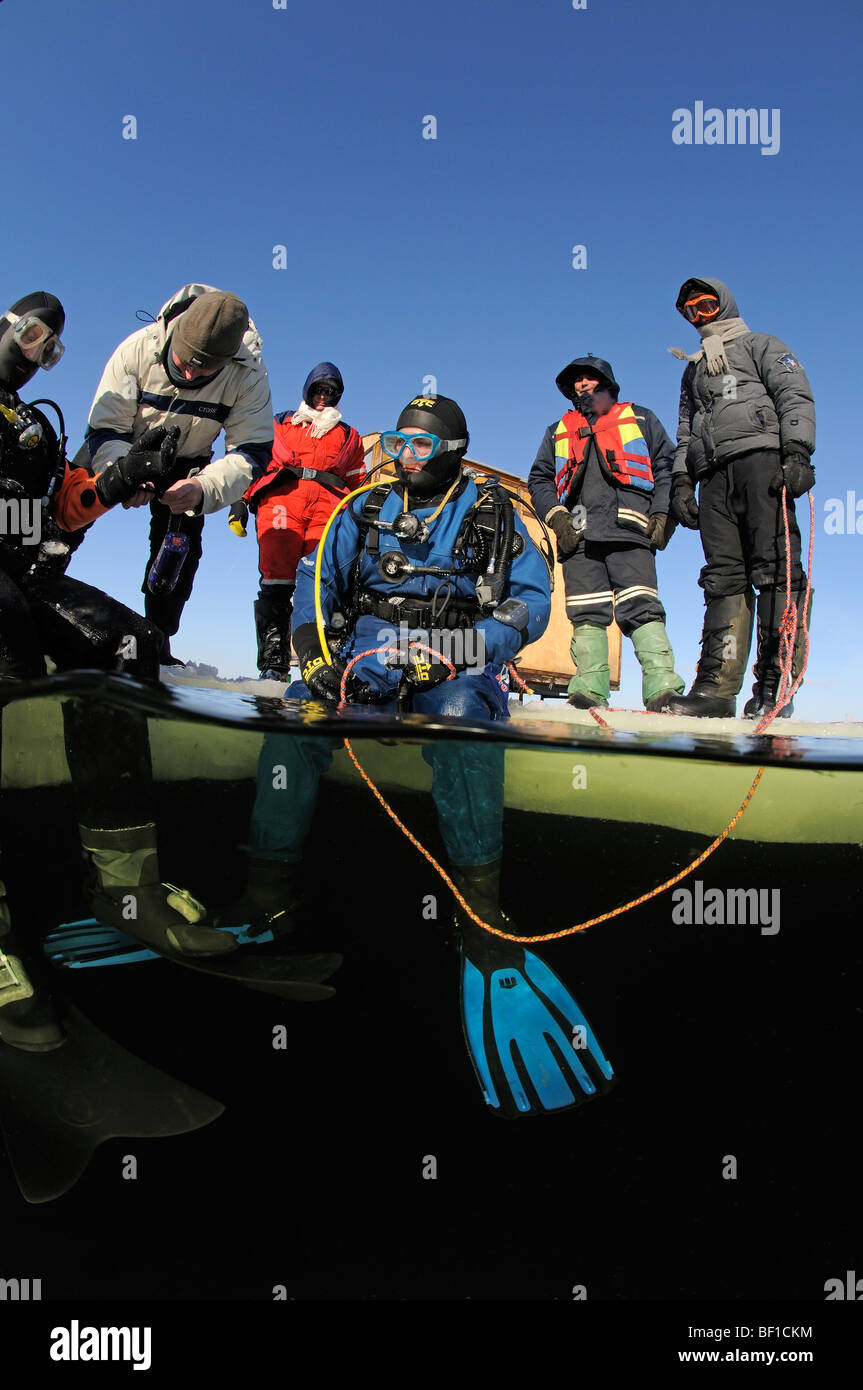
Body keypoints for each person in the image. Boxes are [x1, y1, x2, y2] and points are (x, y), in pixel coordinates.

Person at [220, 392, 551, 941]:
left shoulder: (493, 513)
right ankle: (267, 900)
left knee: (461, 719)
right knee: (296, 717)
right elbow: (314, 578)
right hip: (365, 656)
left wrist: (460, 654)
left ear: (454, 450)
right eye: (398, 442)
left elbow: (529, 605)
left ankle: (480, 911)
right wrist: (318, 658)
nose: (406, 455)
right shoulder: (363, 506)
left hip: (454, 662)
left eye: (421, 443)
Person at [84, 283, 274, 661]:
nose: (189, 370)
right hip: (123, 444)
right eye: (184, 358)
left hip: (189, 464)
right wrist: (122, 474)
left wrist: (204, 489)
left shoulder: (249, 376)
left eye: (203, 366)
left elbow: (251, 453)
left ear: (229, 358)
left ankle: (158, 638)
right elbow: (105, 427)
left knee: (180, 547)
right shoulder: (136, 349)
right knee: (71, 502)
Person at [666, 277, 816, 718]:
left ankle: (775, 685)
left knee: (776, 571)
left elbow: (795, 396)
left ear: (724, 303)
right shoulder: (692, 370)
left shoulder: (762, 345)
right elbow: (686, 430)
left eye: (706, 304)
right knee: (723, 578)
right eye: (691, 311)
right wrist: (681, 480)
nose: (700, 315)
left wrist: (798, 452)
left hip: (762, 461)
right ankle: (716, 688)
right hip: (713, 474)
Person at [528, 354, 684, 711]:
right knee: (585, 614)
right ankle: (589, 690)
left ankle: (662, 689)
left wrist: (663, 513)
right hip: (579, 539)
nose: (582, 384)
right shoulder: (557, 431)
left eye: (589, 378)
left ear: (607, 382)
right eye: (577, 380)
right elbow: (538, 479)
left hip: (630, 532)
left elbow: (668, 467)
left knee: (642, 609)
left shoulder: (641, 417)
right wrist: (558, 519)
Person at [233, 362, 365, 681]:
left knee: (322, 582)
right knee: (277, 582)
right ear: (307, 390)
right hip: (281, 503)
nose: (323, 396)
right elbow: (257, 461)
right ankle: (273, 667)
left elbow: (358, 479)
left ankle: (322, 663)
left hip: (328, 508)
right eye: (318, 389)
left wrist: (363, 519)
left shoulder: (349, 435)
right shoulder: (280, 423)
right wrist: (241, 499)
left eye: (330, 392)